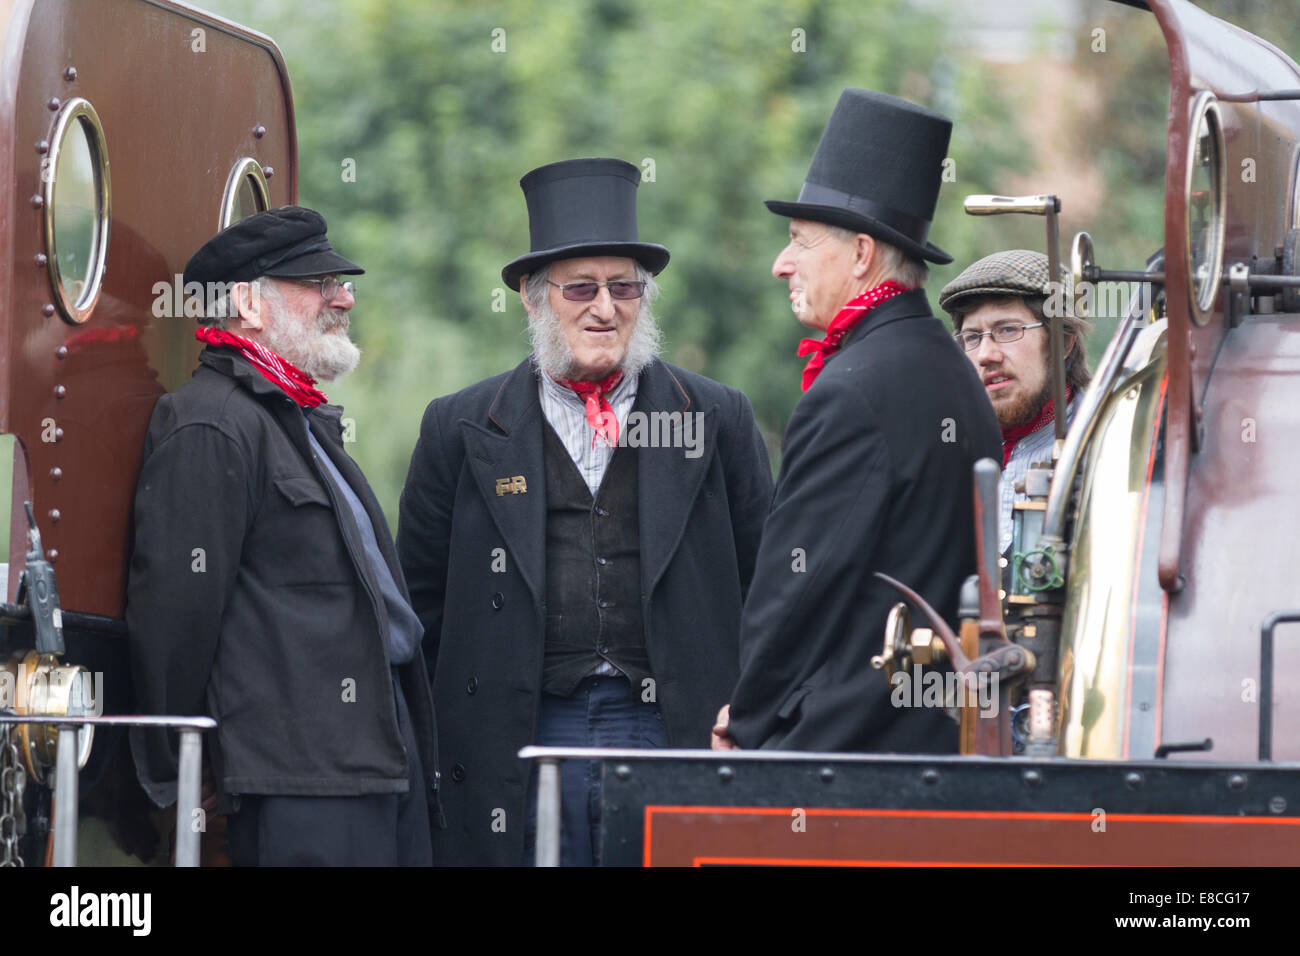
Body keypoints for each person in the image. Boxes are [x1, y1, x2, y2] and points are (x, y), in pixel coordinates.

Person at [397, 158, 773, 865]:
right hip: (522, 727)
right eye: (581, 288)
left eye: (624, 287)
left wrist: (748, 713)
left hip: (673, 722)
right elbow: (422, 609)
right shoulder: (458, 426)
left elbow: (770, 587)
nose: (605, 308)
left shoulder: (717, 416)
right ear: (534, 300)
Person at [127, 206, 439, 866]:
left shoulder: (294, 420)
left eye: (342, 282)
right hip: (297, 779)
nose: (344, 296)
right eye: (319, 283)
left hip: (373, 759)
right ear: (246, 303)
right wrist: (176, 771)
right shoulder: (212, 423)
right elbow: (176, 619)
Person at [712, 89, 1001, 754]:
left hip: (839, 751)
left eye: (798, 243)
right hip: (930, 742)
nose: (781, 264)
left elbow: (792, 591)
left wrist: (747, 722)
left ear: (862, 254)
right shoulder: (951, 371)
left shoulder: (852, 391)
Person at [938, 249, 1091, 555]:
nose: (985, 355)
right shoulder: (946, 446)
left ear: (1063, 341)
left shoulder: (1104, 445)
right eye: (972, 337)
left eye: (1007, 330)